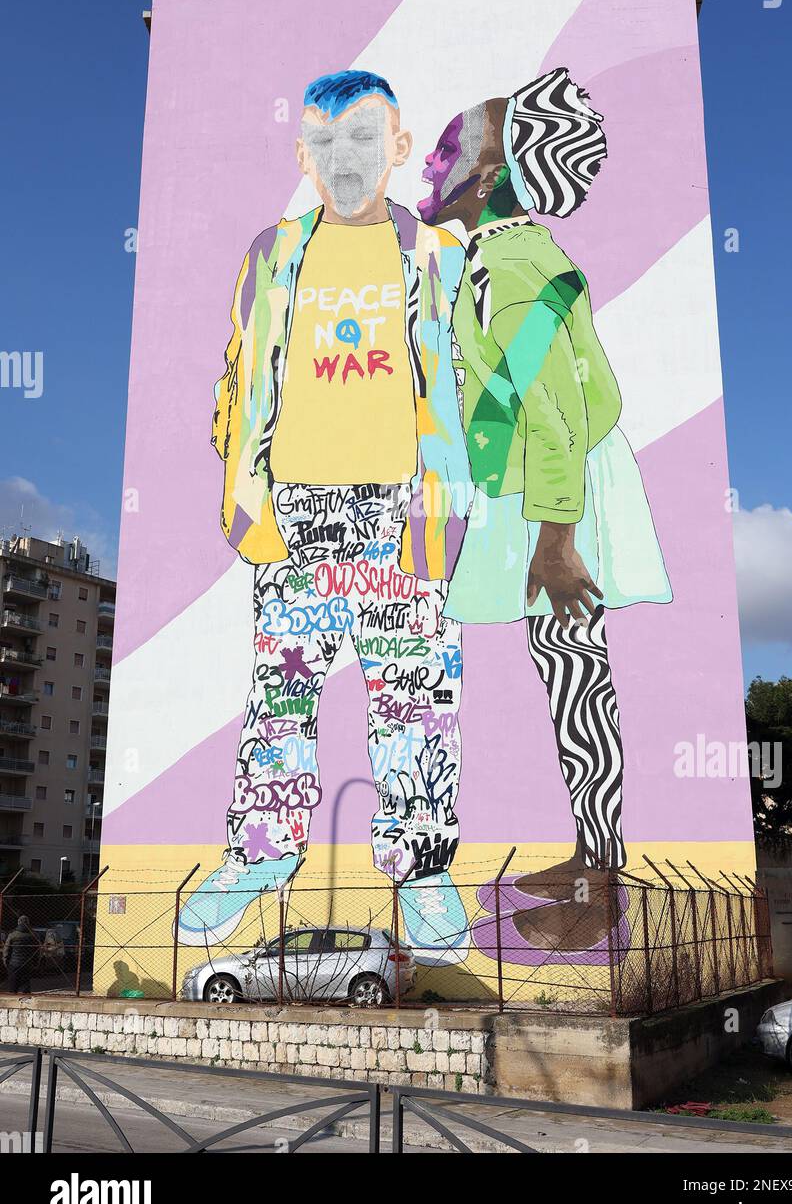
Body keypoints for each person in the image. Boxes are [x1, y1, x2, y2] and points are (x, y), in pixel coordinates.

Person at [178, 70, 475, 966]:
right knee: (280, 697)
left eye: (361, 138)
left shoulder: (438, 256)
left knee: (415, 699)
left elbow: (471, 375)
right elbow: (239, 369)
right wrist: (237, 476)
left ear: (397, 146)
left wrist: (463, 494)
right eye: (322, 141)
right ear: (301, 154)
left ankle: (419, 869)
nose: (341, 159)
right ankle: (260, 858)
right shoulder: (271, 251)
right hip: (296, 508)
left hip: (403, 509)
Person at [418, 67, 672, 953]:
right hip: (533, 486)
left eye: (451, 150)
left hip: (553, 493)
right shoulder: (504, 254)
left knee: (576, 678)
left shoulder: (512, 260)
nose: (434, 161)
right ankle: (590, 851)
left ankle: (601, 888)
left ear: (487, 181)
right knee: (571, 680)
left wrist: (557, 538)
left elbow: (550, 401)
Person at [3, 915, 40, 994]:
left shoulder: (12, 935)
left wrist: (6, 962)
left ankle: (12, 1002)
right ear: (28, 923)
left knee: (13, 985)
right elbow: (37, 951)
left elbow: (6, 950)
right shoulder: (34, 935)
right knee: (26, 984)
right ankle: (26, 1002)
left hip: (14, 963)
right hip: (27, 963)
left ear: (18, 923)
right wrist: (36, 963)